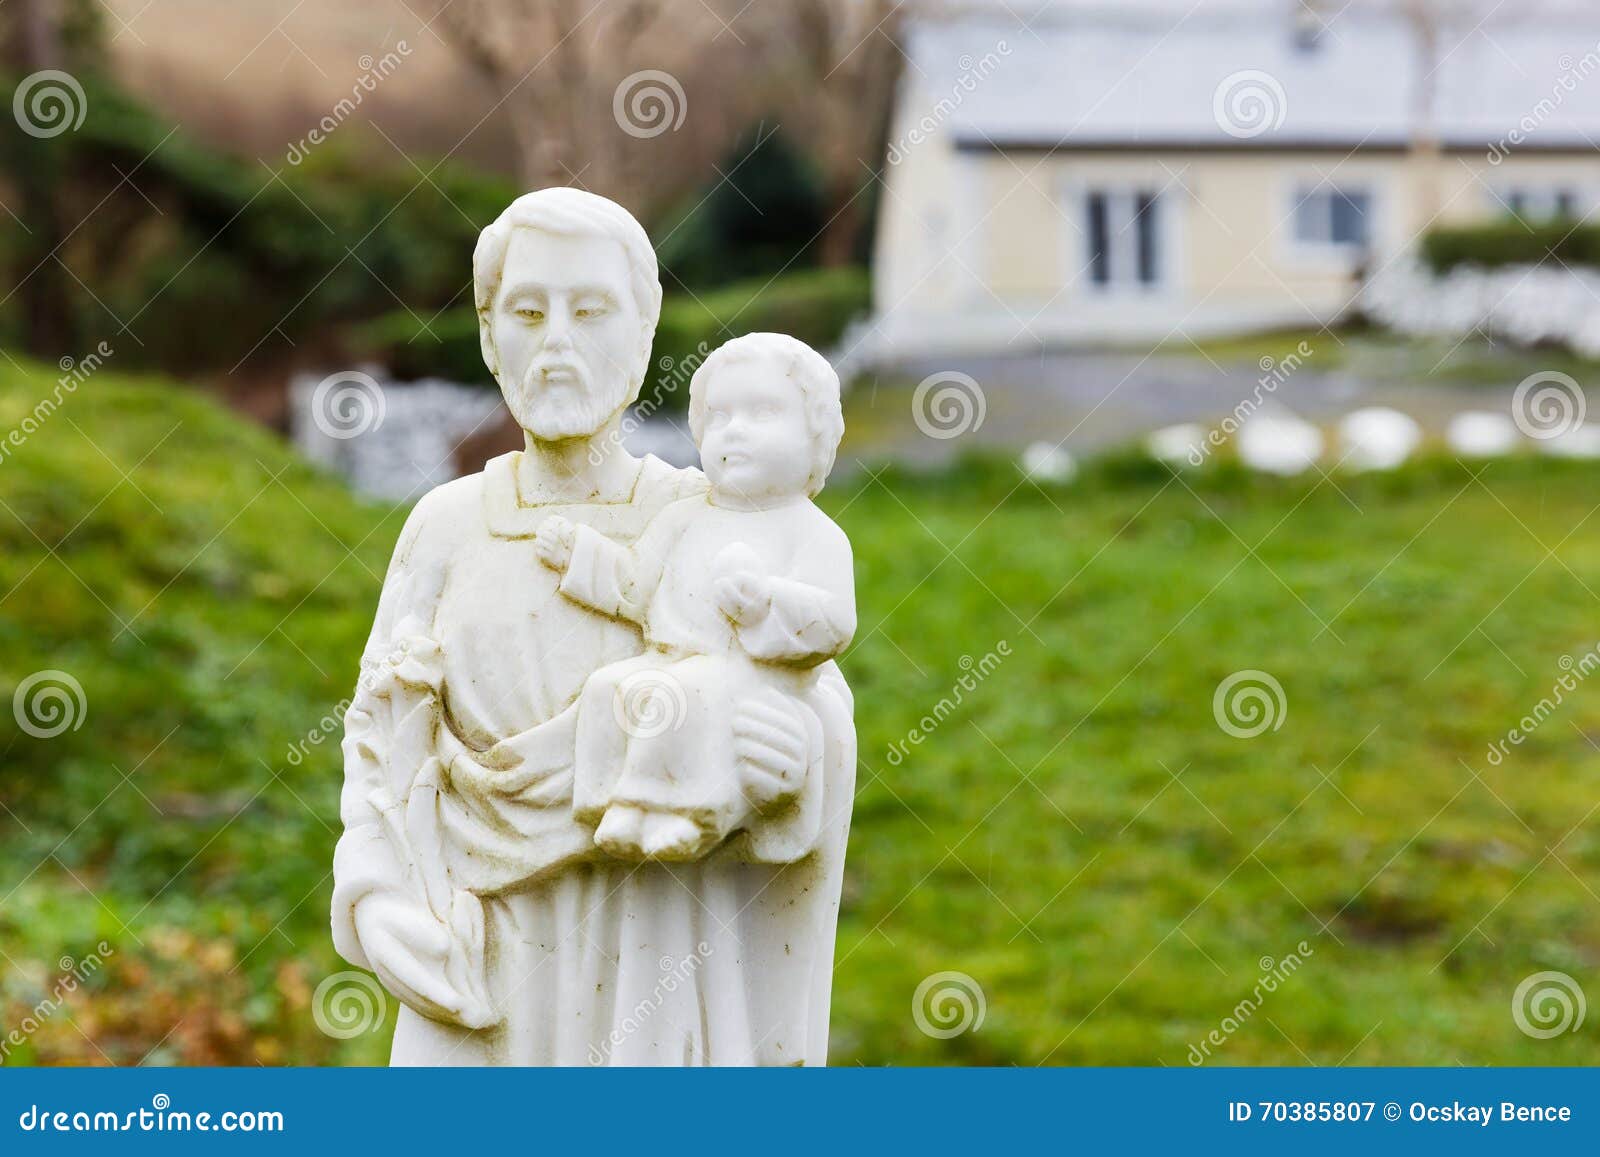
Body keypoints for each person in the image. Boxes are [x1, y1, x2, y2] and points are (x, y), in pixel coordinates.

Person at [330, 188, 856, 1066]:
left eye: (592, 309)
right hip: (480, 950)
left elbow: (809, 683)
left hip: (658, 946)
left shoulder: (706, 518)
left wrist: (796, 763)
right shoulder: (447, 526)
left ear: (644, 333)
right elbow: (381, 735)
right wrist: (377, 895)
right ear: (492, 340)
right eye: (527, 312)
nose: (558, 341)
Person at [532, 333, 854, 861]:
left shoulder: (811, 532)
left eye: (763, 413)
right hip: (669, 659)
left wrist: (763, 604)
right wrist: (581, 555)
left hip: (746, 677)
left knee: (688, 696)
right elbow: (634, 583)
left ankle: (695, 814)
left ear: (816, 436)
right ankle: (618, 804)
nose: (737, 431)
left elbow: (833, 621)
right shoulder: (685, 518)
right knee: (608, 687)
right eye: (720, 417)